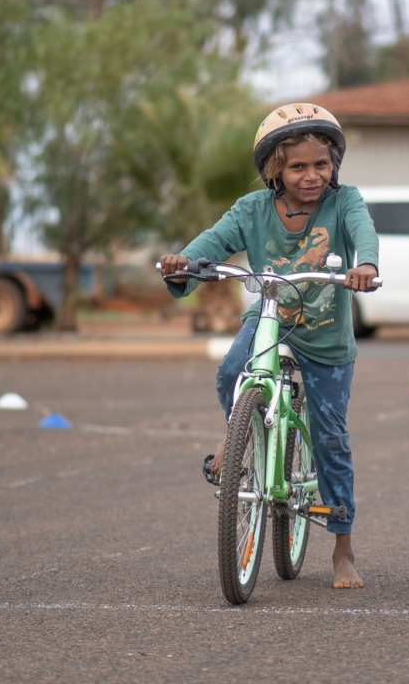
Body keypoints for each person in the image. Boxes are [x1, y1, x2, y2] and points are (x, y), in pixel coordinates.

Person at [159, 103, 379, 589]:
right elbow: (213, 243)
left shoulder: (345, 203)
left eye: (321, 164)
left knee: (329, 438)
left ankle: (343, 548)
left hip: (326, 336)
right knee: (229, 372)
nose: (311, 175)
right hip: (270, 319)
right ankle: (241, 436)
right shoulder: (252, 210)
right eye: (298, 166)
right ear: (274, 170)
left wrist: (365, 265)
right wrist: (186, 262)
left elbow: (364, 232)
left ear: (334, 165)